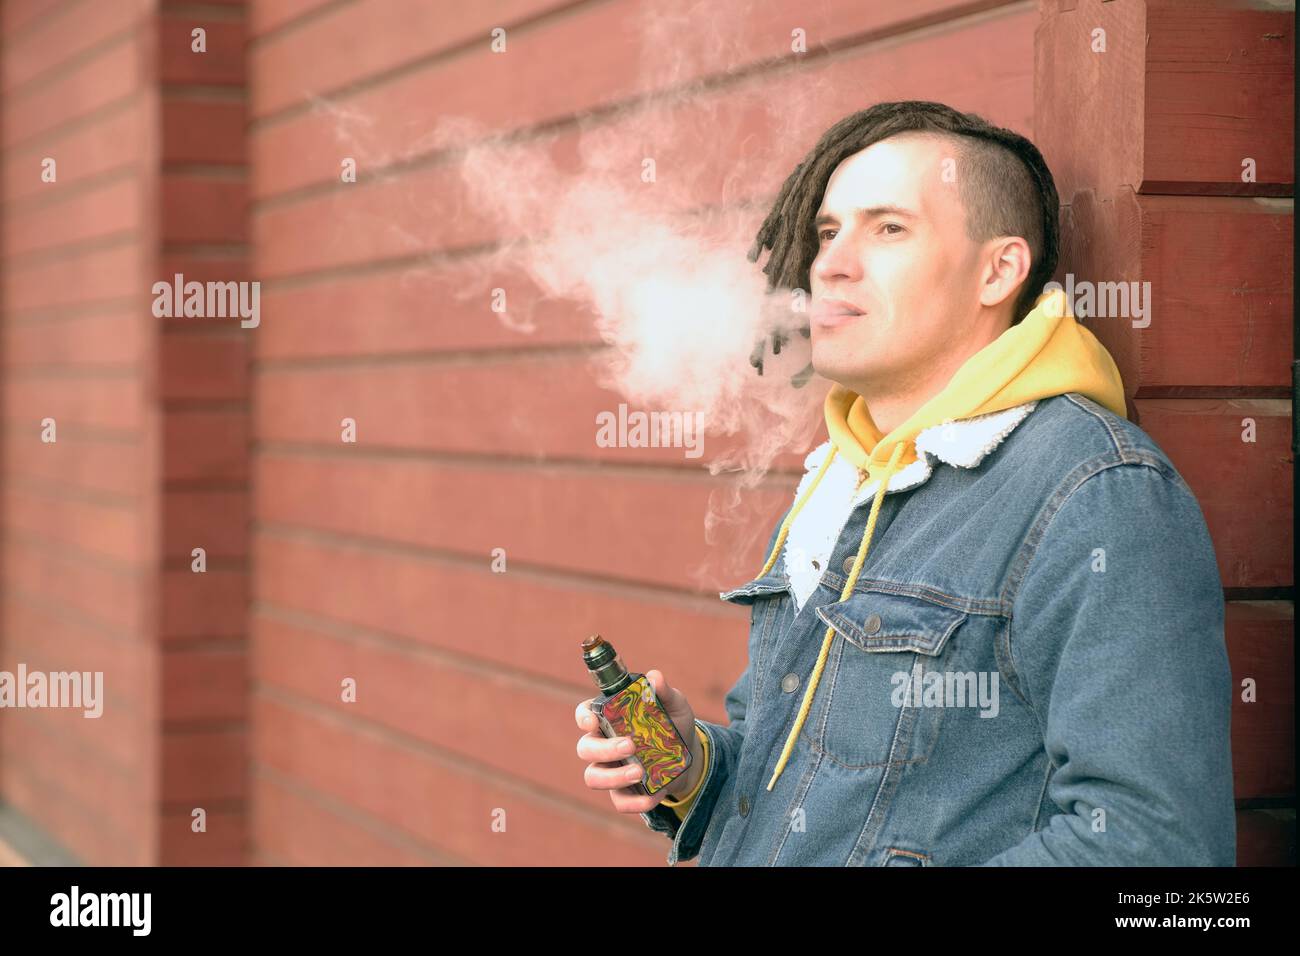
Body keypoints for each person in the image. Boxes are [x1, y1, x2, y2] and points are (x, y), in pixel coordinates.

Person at [574, 101, 1235, 866]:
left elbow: (1157, 853)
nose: (830, 264)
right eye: (828, 232)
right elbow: (814, 781)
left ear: (999, 270)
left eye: (887, 228)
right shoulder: (840, 479)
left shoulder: (1098, 497)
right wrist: (697, 768)